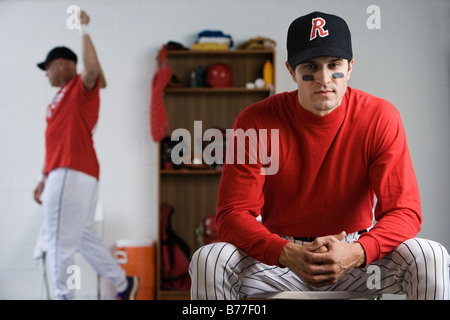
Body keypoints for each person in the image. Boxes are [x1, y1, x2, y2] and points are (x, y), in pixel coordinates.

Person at [189, 11, 449, 300]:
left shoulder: (380, 116)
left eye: (334, 65)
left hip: (358, 256)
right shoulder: (255, 120)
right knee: (210, 259)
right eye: (310, 66)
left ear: (350, 67)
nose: (324, 79)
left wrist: (357, 251)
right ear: (291, 71)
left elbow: (405, 211)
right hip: (281, 257)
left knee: (430, 254)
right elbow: (232, 214)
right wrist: (285, 253)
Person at [33, 10, 138, 300]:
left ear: (62, 64)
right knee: (80, 237)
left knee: (57, 240)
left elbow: (92, 71)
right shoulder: (55, 102)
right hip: (69, 172)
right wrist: (43, 176)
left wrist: (83, 30)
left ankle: (63, 296)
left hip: (71, 171)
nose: (46, 73)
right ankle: (122, 284)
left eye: (48, 67)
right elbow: (53, 142)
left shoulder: (79, 88)